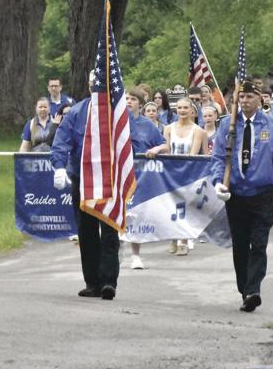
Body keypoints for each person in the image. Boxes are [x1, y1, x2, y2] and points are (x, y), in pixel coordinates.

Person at [210, 81, 273, 312]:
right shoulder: (227, 124)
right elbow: (218, 157)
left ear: (259, 99)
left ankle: (254, 290)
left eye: (249, 97)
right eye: (241, 97)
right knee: (240, 245)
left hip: (263, 194)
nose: (245, 101)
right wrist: (218, 181)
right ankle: (245, 289)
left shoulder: (271, 124)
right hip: (236, 195)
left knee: (259, 243)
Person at [51, 70, 121, 300]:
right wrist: (59, 166)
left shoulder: (117, 112)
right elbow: (62, 140)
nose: (97, 88)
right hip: (83, 179)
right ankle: (92, 282)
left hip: (110, 179)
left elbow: (131, 141)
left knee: (109, 230)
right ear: (89, 86)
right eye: (94, 84)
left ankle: (109, 281)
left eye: (101, 84)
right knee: (86, 231)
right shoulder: (76, 112)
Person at [124, 88, 167, 269]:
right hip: (118, 175)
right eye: (126, 98)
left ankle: (135, 255)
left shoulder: (147, 124)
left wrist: (156, 149)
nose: (129, 101)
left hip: (139, 176)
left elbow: (165, 145)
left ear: (140, 104)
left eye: (133, 99)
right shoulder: (116, 122)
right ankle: (112, 253)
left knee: (136, 215)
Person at [164, 97, 209, 255]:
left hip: (189, 172)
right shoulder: (168, 128)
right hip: (170, 172)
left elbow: (195, 154)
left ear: (192, 111)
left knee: (185, 207)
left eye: (185, 108)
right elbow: (166, 149)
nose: (182, 111)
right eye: (179, 108)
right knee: (170, 206)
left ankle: (183, 240)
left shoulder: (198, 131)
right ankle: (173, 237)